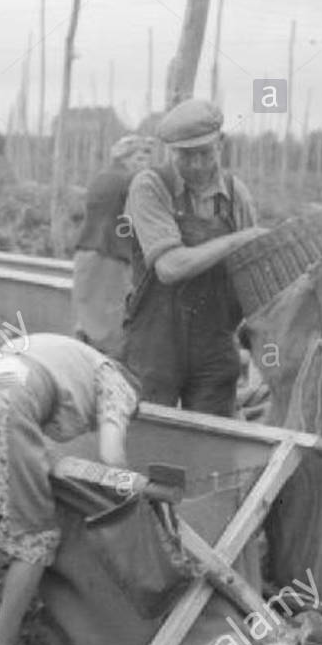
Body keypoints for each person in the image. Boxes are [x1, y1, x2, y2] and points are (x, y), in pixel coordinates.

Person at [0, 333, 140, 645]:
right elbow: (112, 457)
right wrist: (133, 494)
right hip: (9, 408)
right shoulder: (117, 384)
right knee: (37, 538)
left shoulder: (65, 353)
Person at [121, 98, 269, 416]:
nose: (197, 164)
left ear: (221, 144)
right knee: (147, 435)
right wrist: (240, 239)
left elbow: (253, 274)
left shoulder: (236, 193)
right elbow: (170, 267)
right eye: (186, 155)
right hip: (156, 340)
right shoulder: (150, 186)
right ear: (171, 151)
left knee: (212, 447)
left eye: (205, 152)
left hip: (215, 341)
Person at [72, 135, 153, 357]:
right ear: (125, 158)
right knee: (111, 325)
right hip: (110, 256)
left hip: (88, 252)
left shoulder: (102, 178)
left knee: (90, 318)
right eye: (139, 156)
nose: (145, 162)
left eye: (147, 156)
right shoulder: (130, 181)